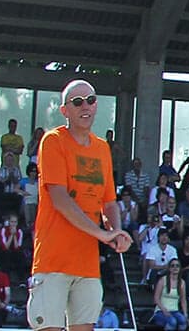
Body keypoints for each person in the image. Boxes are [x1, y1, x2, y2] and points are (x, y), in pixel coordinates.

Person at [28, 79, 134, 331]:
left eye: (90, 100)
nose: (85, 106)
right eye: (77, 102)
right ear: (65, 110)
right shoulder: (53, 141)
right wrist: (101, 233)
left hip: (86, 264)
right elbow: (60, 199)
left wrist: (116, 232)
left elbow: (109, 203)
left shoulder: (102, 149)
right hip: (53, 261)